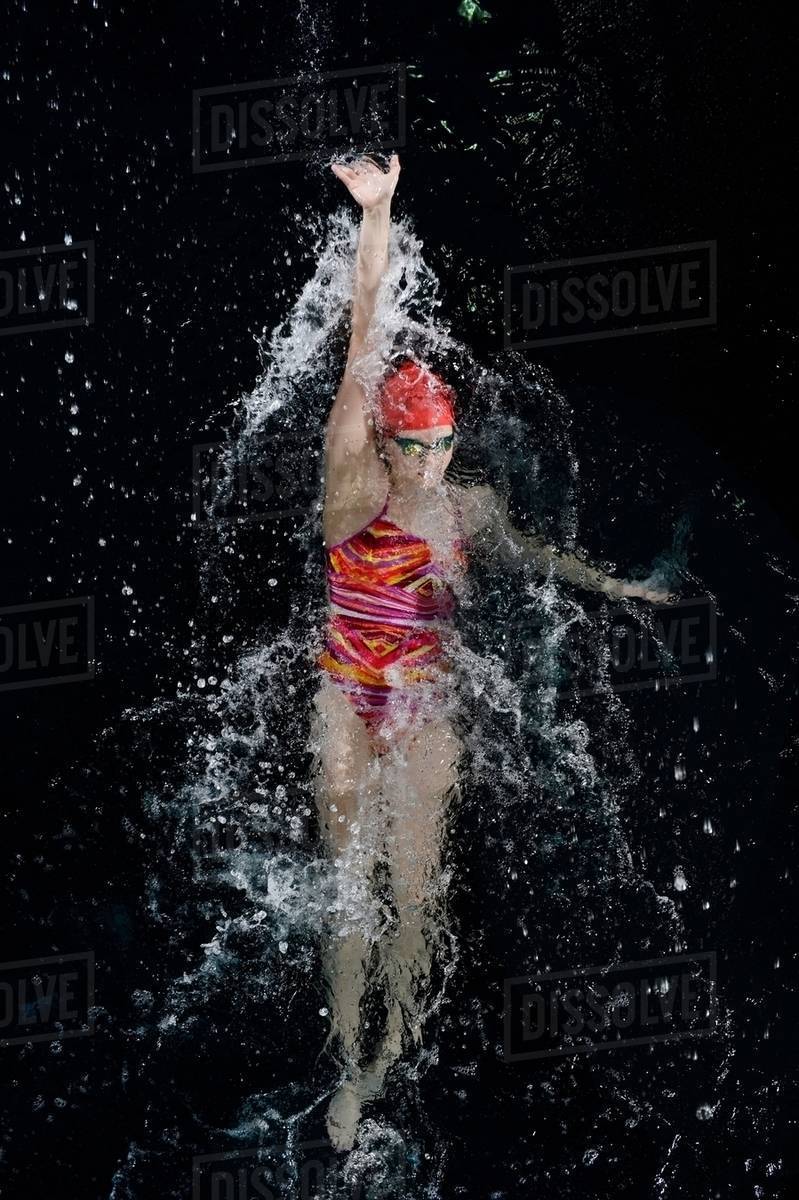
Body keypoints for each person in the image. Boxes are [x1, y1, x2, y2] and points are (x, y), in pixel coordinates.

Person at [307, 154, 672, 1152]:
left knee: (416, 889)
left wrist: (615, 585)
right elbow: (360, 332)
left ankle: (388, 1058)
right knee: (352, 881)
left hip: (425, 704)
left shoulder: (468, 505)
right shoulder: (354, 492)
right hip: (346, 695)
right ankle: (347, 1067)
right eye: (413, 445)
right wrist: (378, 212)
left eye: (443, 443)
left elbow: (529, 553)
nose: (431, 461)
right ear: (381, 442)